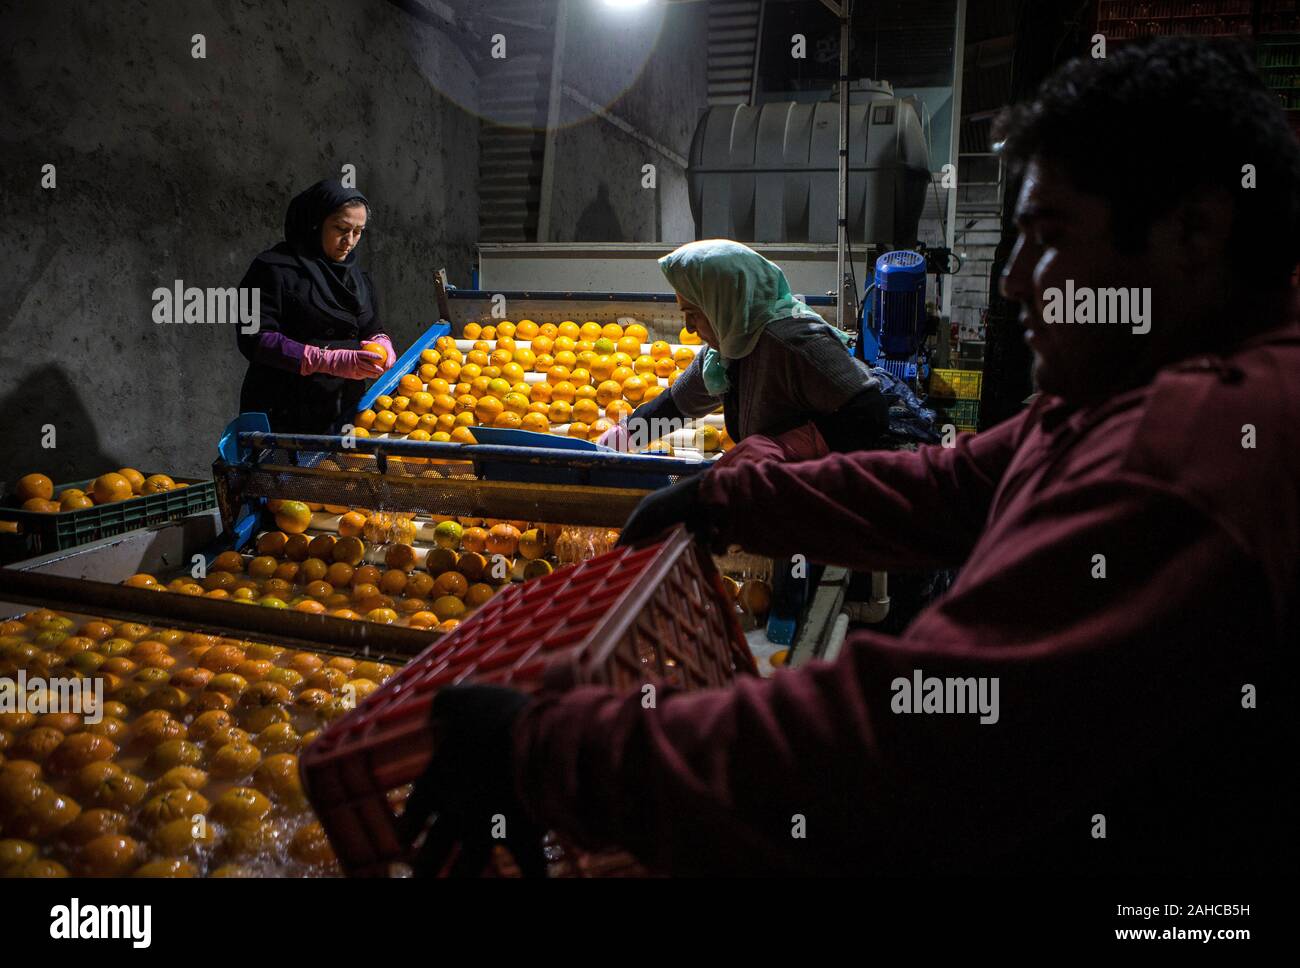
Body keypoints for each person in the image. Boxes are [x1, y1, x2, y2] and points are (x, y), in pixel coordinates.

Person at [401, 37, 1299, 876]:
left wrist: (555, 750)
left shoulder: (1194, 454)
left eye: (1050, 232)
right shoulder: (1122, 395)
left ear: (1193, 233)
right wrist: (728, 501)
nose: (1017, 277)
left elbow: (917, 737)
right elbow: (951, 483)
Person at [598, 239, 935, 456]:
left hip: (850, 494)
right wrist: (622, 439)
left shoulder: (789, 342)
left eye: (693, 314)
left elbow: (867, 412)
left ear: (722, 303)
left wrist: (781, 449)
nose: (688, 328)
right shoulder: (727, 349)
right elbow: (676, 406)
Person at [236, 179, 395, 434]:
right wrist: (324, 359)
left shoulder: (356, 277)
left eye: (358, 231)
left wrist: (381, 340)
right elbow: (254, 339)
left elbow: (369, 326)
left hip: (342, 409)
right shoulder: (272, 269)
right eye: (341, 228)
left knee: (337, 471)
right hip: (285, 410)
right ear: (315, 223)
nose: (350, 241)